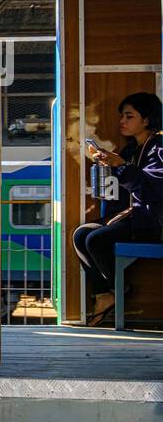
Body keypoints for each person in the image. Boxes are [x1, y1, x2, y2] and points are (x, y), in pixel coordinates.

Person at [72, 92, 163, 325]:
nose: (122, 121)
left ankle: (119, 290)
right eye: (122, 116)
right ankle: (104, 295)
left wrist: (121, 166)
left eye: (129, 116)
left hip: (153, 222)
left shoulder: (158, 150)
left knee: (95, 240)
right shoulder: (131, 150)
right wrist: (107, 163)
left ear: (147, 120)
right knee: (80, 234)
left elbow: (153, 190)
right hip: (135, 216)